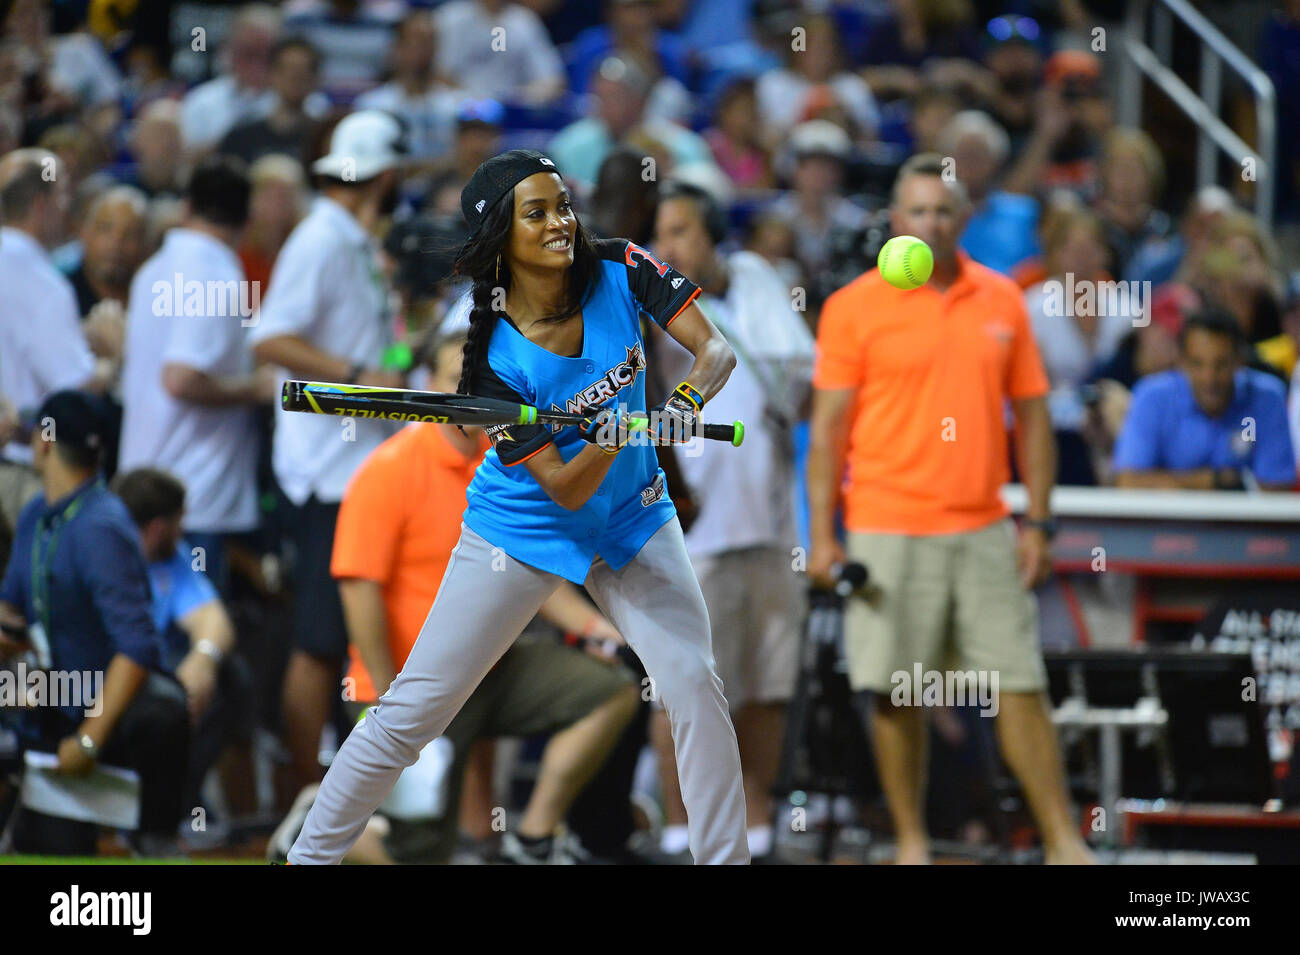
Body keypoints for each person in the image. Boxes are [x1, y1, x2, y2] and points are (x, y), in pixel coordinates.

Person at [288, 148, 750, 865]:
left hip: (634, 512)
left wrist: (683, 401)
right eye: (537, 213)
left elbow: (714, 351)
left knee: (692, 679)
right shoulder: (491, 360)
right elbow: (564, 486)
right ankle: (310, 856)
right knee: (410, 712)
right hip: (522, 528)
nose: (561, 221)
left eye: (563, 203)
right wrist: (610, 433)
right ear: (501, 236)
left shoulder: (623, 265)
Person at [807, 154, 1094, 865]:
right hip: (885, 522)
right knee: (895, 690)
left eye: (942, 211)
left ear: (963, 219)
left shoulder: (1002, 299)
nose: (930, 224)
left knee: (1020, 683)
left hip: (983, 523)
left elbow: (1032, 420)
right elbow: (828, 434)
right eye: (917, 212)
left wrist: (1041, 521)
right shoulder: (854, 306)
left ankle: (1062, 840)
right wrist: (821, 536)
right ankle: (911, 844)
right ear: (894, 221)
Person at [273, 332, 640, 864]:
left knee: (611, 692)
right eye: (457, 379)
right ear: (430, 388)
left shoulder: (511, 463)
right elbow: (359, 591)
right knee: (415, 854)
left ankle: (532, 839)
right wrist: (386, 700)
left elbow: (529, 575)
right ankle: (316, 822)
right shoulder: (389, 470)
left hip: (491, 671)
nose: (473, 393)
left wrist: (597, 629)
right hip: (412, 681)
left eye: (486, 381)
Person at [649, 179, 814, 860]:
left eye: (682, 231)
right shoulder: (643, 300)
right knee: (680, 688)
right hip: (690, 533)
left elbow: (804, 379)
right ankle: (680, 829)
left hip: (772, 528)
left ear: (714, 237)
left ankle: (759, 822)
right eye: (660, 233)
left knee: (765, 687)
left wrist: (745, 279)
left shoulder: (756, 283)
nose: (667, 247)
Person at [250, 110, 408, 793]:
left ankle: (343, 797)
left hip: (359, 472)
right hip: (324, 476)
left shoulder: (354, 242)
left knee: (346, 638)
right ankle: (296, 795)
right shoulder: (320, 239)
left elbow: (383, 355)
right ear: (384, 176)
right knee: (318, 640)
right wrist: (356, 370)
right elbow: (270, 339)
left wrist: (399, 357)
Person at [0, 391, 187, 856]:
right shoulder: (37, 515)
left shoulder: (99, 525)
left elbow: (137, 648)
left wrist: (88, 739)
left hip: (106, 711)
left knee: (161, 712)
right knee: (43, 849)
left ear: (45, 441)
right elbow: (11, 613)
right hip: (58, 695)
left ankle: (153, 835)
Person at [119, 155, 271, 593]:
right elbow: (180, 378)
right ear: (247, 219)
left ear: (187, 207)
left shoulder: (153, 268)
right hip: (190, 497)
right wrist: (255, 388)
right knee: (186, 643)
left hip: (145, 486)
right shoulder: (217, 273)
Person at [110, 467, 253, 823]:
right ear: (159, 526)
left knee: (231, 675)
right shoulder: (104, 550)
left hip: (150, 668)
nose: (182, 530)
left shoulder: (171, 557)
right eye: (179, 521)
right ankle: (136, 811)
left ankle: (179, 802)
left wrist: (203, 660)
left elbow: (213, 618)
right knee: (161, 696)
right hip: (98, 672)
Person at [1113, 309, 1296, 491]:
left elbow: (1277, 488)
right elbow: (1128, 481)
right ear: (1181, 361)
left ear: (1239, 361)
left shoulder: (1267, 398)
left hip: (1243, 520)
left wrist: (1173, 484)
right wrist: (1217, 481)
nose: (1210, 378)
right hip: (1171, 519)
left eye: (1221, 364)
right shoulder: (1152, 397)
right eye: (1197, 363)